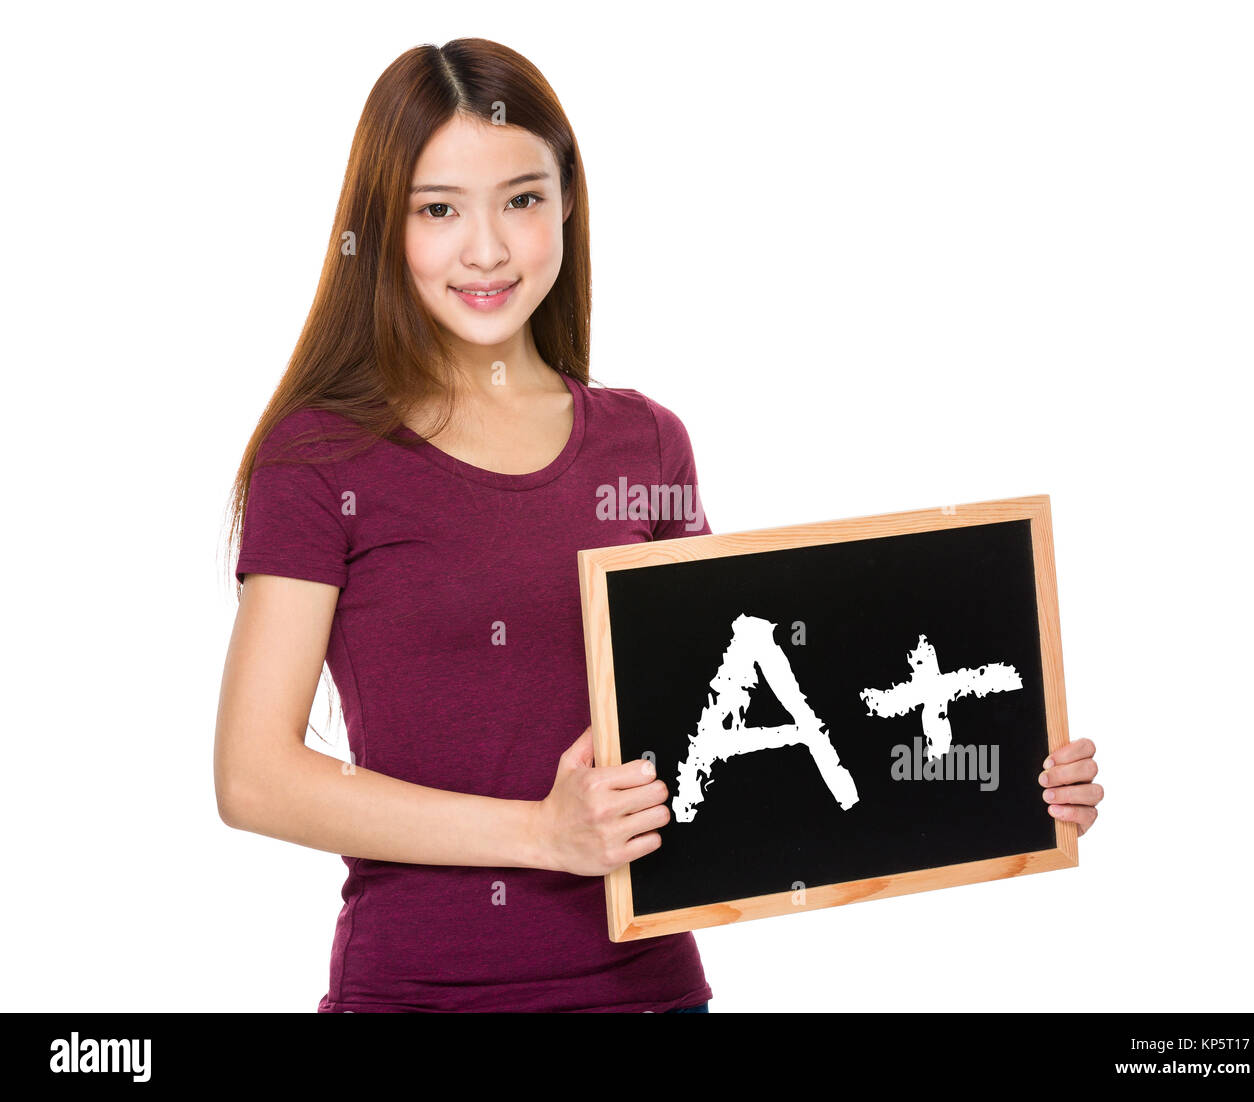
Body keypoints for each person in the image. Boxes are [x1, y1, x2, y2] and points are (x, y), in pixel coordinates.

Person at [215, 38, 1102, 1015]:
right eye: (439, 209)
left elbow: (757, 717)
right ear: (383, 227)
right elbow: (254, 776)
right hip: (419, 996)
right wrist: (541, 837)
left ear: (566, 205)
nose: (488, 249)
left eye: (522, 198)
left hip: (652, 995)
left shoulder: (643, 444)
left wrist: (992, 770)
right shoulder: (324, 458)